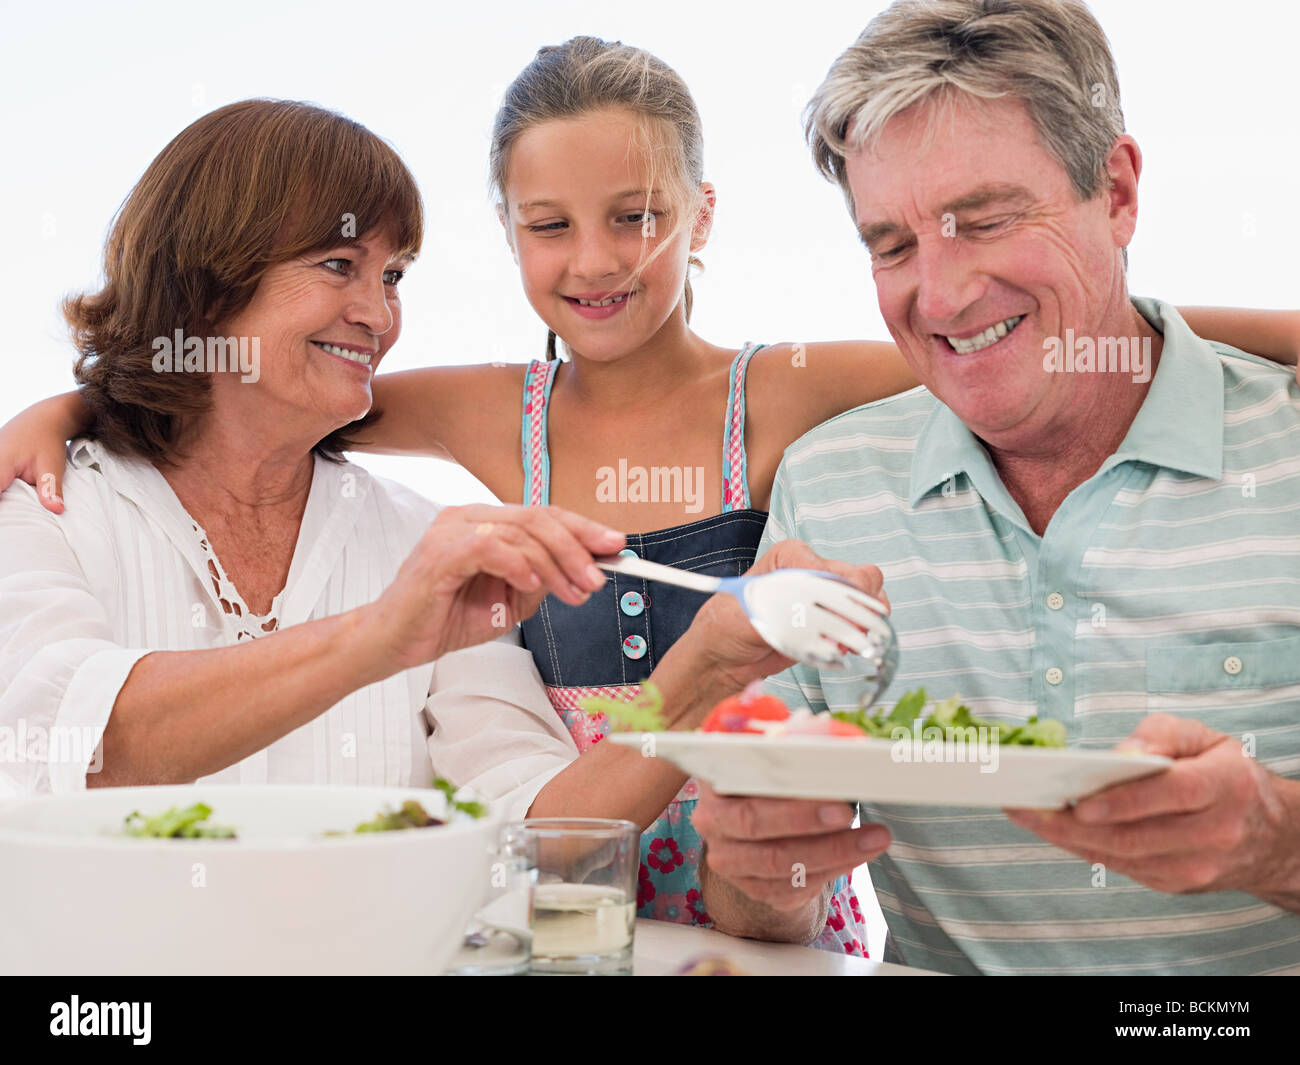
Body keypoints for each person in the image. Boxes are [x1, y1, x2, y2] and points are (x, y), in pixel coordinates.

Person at [2, 37, 1297, 957]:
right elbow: (254, 392)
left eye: (637, 216)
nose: (379, 312)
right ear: (510, 234)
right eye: (547, 226)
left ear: (701, 215)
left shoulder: (786, 389)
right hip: (585, 884)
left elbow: (1034, 331)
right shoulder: (466, 412)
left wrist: (1176, 336)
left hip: (740, 892)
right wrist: (74, 404)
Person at [0, 97, 876, 885]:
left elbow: (541, 837)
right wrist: (385, 634)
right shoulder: (43, 506)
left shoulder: (419, 544)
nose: (380, 317)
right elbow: (83, 741)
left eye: (393, 277)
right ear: (207, 272)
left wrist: (701, 673)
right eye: (340, 265)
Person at [692, 0, 1300, 974]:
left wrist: (1278, 841)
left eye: (982, 220)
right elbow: (762, 922)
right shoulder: (832, 488)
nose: (938, 294)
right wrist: (764, 873)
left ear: (1116, 191)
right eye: (890, 245)